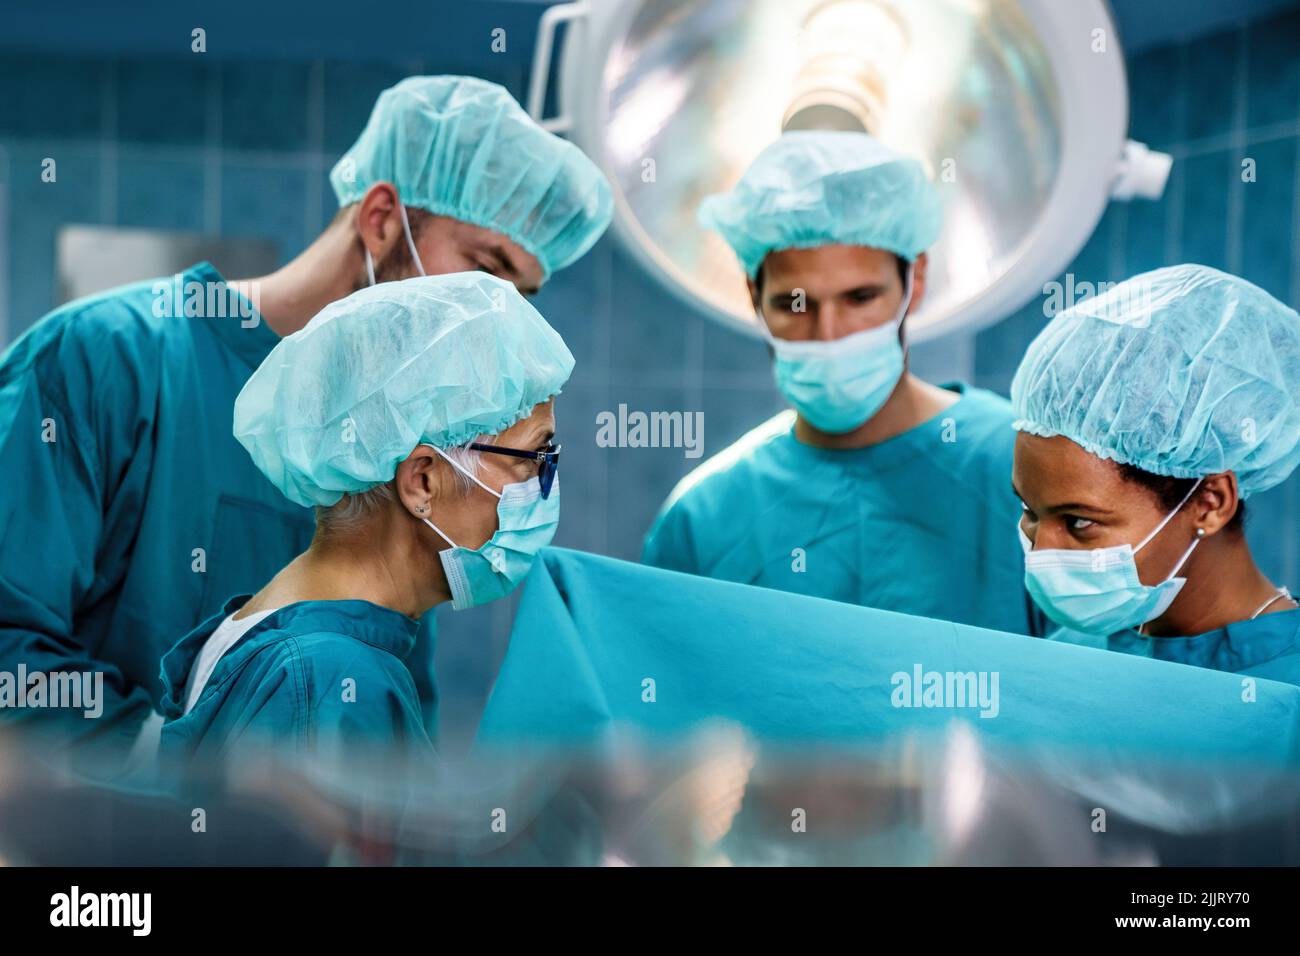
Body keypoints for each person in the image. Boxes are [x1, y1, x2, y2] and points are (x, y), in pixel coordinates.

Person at [0, 75, 611, 767]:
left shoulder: (419, 433)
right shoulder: (105, 360)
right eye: (485, 268)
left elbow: (384, 701)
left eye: (522, 294)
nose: (499, 311)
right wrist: (170, 775)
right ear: (382, 218)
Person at [156, 272, 571, 776]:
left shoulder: (274, 628)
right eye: (533, 456)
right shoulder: (330, 679)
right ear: (423, 481)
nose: (542, 485)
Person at [643, 131, 1042, 635]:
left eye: (860, 298)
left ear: (914, 281)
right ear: (752, 293)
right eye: (796, 303)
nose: (828, 333)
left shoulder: (1025, 469)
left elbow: (1097, 686)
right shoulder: (704, 516)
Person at [1011, 264, 1300, 683]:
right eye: (1030, 511)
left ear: (1210, 503)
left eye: (1079, 521)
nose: (1040, 553)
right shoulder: (1066, 659)